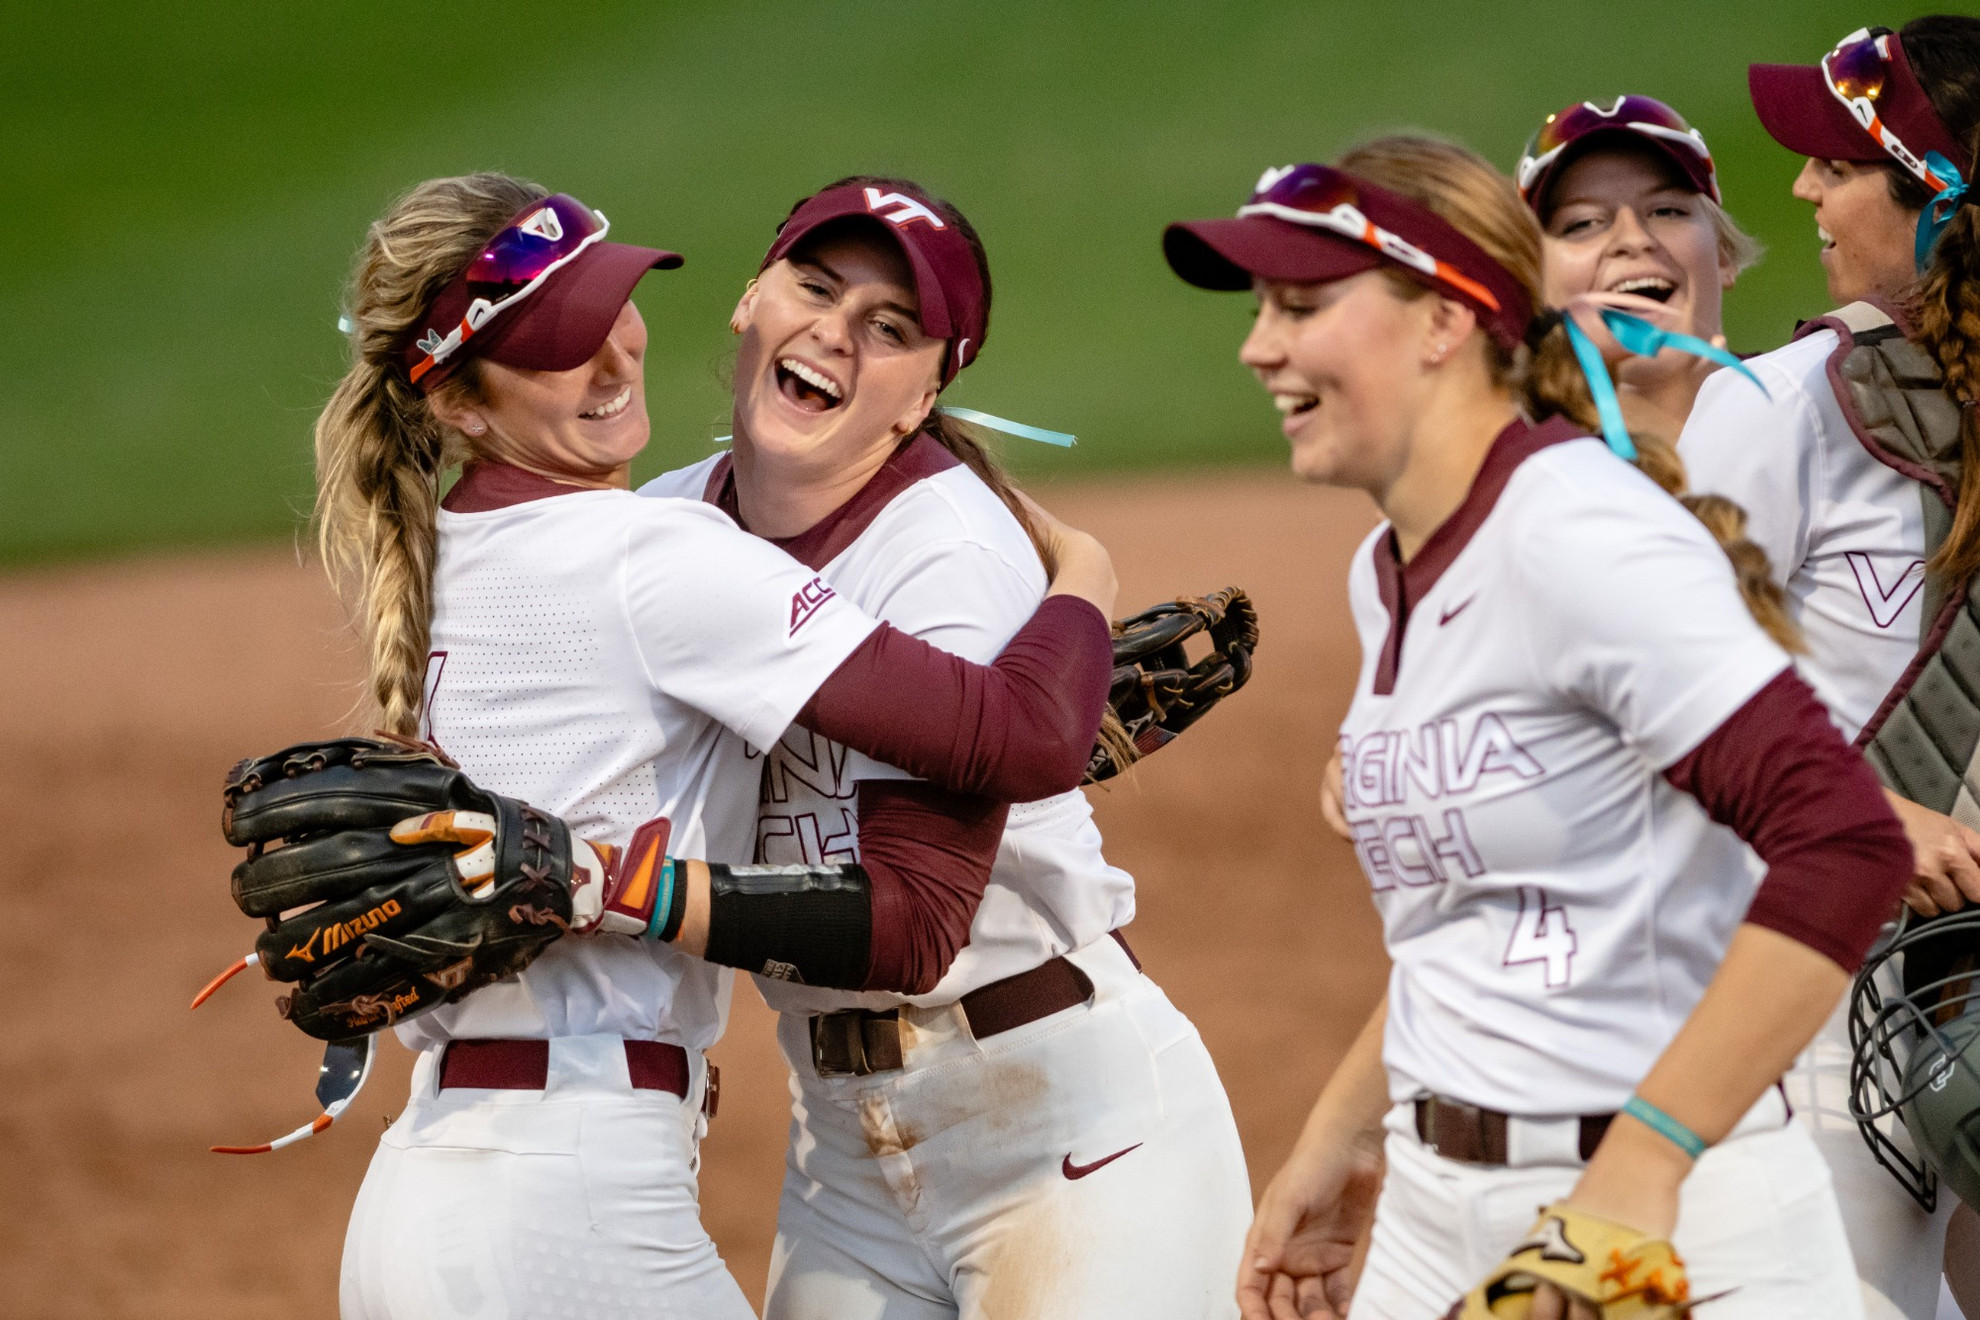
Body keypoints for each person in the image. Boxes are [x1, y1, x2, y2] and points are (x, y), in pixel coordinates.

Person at [311, 172, 1122, 1319]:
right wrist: (1083, 576)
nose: (608, 360)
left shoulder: (452, 558)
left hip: (428, 1197)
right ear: (458, 405)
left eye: (606, 307)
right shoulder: (654, 554)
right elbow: (1028, 735)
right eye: (554, 346)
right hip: (568, 1215)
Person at [1164, 135, 1912, 1319]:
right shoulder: (1388, 567)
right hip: (1430, 1207)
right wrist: (1343, 1137)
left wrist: (1640, 1172)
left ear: (1444, 321)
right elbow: (1474, 918)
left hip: (1669, 1227)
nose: (1262, 346)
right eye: (1263, 308)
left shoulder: (1580, 537)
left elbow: (1847, 842)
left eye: (1303, 306)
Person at [640, 175, 1254, 1320]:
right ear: (748, 301)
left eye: (890, 329)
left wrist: (612, 885)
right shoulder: (670, 522)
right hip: (843, 1153)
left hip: (1067, 1128)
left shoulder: (947, 552)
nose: (835, 332)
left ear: (926, 391)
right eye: (814, 287)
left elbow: (913, 925)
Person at [1674, 17, 1980, 1319]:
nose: (1800, 186)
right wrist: (1860, 808)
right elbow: (1655, 699)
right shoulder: (1781, 407)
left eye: (1840, 163)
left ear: (1940, 204)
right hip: (1820, 1001)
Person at [1517, 95, 1763, 447]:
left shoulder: (1821, 412)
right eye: (1582, 223)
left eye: (1666, 211)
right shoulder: (1511, 480)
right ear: (1531, 285)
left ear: (1723, 255)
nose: (1634, 239)